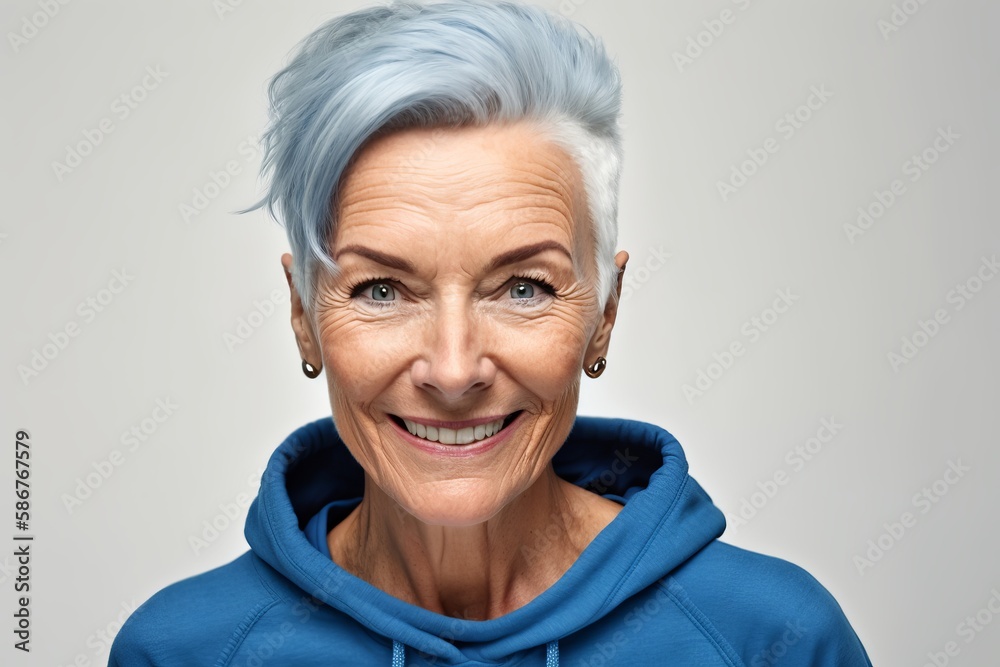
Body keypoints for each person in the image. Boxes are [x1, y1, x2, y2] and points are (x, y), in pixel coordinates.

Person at [110, 2, 873, 665]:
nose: (452, 368)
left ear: (603, 313)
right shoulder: (182, 650)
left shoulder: (775, 638)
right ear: (304, 318)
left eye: (522, 287)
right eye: (381, 289)